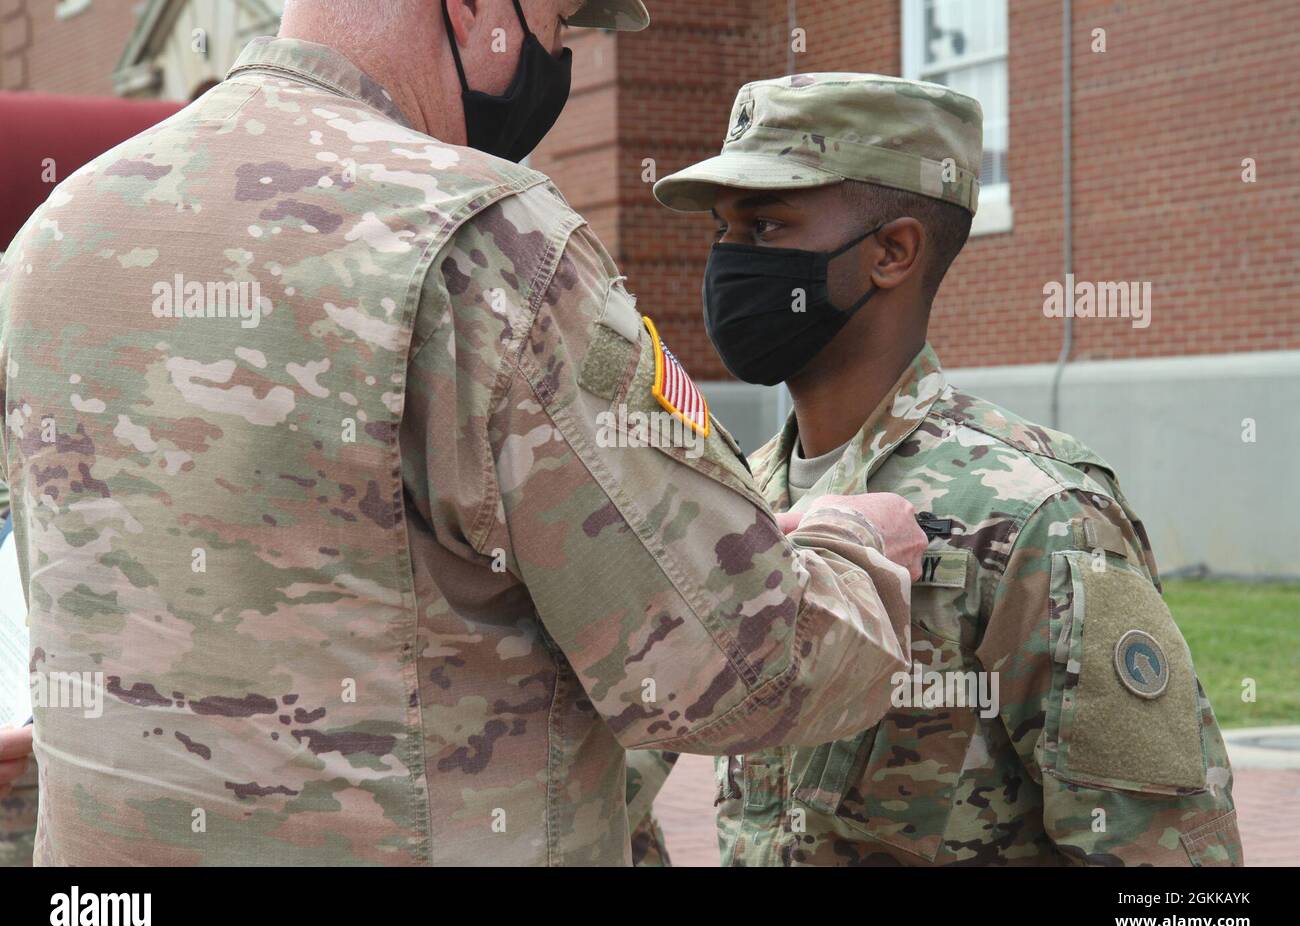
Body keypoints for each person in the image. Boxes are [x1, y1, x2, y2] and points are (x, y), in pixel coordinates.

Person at [0, 4, 927, 866]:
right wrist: (859, 549)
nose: (560, 58)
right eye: (558, 20)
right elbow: (736, 668)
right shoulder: (481, 238)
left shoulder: (56, 232)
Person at [631, 72, 1242, 866]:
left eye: (767, 226)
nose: (729, 262)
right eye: (725, 232)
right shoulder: (736, 496)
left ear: (892, 253)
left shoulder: (1039, 516)